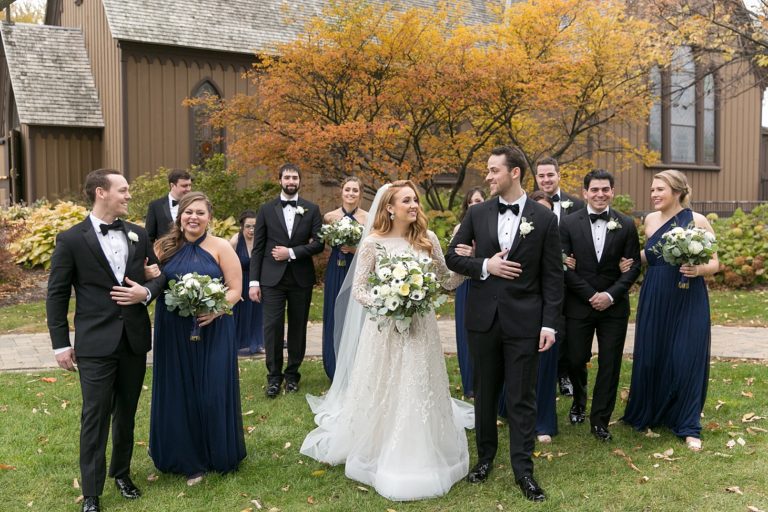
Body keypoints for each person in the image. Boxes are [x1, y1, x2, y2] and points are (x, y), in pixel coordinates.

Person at [301, 180, 473, 501]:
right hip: (384, 329)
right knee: (387, 385)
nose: (413, 205)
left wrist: (467, 265)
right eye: (406, 200)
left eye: (415, 200)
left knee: (417, 385)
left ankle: (420, 447)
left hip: (421, 329)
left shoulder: (428, 239)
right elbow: (361, 289)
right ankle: (379, 445)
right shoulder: (373, 243)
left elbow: (447, 281)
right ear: (390, 207)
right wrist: (386, 301)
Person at [447, 145, 563, 502]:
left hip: (525, 322)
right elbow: (452, 256)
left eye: (494, 170)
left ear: (514, 172)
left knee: (521, 397)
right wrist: (485, 265)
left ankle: (523, 471)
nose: (488, 176)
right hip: (483, 319)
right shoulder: (477, 213)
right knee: (484, 394)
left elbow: (553, 278)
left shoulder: (544, 219)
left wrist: (548, 325)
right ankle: (484, 459)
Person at [47, 169, 165, 512]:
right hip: (95, 342)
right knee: (95, 416)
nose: (129, 196)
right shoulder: (70, 239)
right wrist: (60, 344)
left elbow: (159, 277)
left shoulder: (138, 234)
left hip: (133, 339)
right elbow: (56, 296)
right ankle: (92, 493)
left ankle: (123, 474)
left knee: (126, 412)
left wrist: (145, 292)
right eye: (123, 190)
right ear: (101, 192)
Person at [149, 191, 246, 485]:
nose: (193, 217)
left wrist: (216, 310)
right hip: (173, 331)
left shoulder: (221, 247)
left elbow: (235, 289)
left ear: (209, 217)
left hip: (214, 328)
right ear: (179, 216)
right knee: (179, 391)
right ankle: (186, 458)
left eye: (200, 213)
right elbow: (153, 281)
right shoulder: (163, 247)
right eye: (188, 212)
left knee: (212, 389)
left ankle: (218, 452)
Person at [623, 170, 718, 452]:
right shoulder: (650, 220)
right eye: (652, 190)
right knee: (653, 355)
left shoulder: (697, 220)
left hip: (688, 296)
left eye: (659, 189)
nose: (653, 194)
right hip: (655, 294)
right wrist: (629, 261)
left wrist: (698, 269)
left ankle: (689, 425)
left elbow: (715, 262)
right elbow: (650, 253)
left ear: (677, 191)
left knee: (686, 356)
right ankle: (651, 412)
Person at [559, 170, 641, 442]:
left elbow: (633, 267)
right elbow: (563, 267)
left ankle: (600, 421)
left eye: (605, 189)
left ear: (612, 191)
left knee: (610, 363)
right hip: (579, 305)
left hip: (614, 308)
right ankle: (579, 402)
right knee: (575, 358)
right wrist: (590, 294)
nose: (600, 194)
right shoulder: (568, 224)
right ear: (585, 193)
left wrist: (610, 295)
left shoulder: (626, 224)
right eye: (594, 190)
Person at [249, 163, 324, 397]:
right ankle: (273, 377)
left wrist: (291, 253)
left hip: (300, 278)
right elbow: (258, 247)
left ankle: (292, 375)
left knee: (298, 327)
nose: (291, 181)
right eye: (287, 177)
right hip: (271, 279)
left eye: (295, 178)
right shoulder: (266, 209)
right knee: (272, 328)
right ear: (280, 180)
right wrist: (253, 282)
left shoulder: (312, 209)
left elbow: (319, 243)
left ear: (299, 181)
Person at [535, 156, 585, 397]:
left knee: (565, 328)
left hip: (569, 279)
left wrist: (573, 260)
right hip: (538, 277)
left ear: (558, 176)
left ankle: (564, 374)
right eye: (541, 175)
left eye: (550, 175)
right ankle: (542, 372)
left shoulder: (575, 205)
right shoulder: (529, 204)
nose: (546, 179)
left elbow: (583, 237)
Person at [321, 176, 368, 379]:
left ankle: (357, 365)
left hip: (358, 268)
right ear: (341, 192)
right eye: (347, 189)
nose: (351, 193)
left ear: (360, 194)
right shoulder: (329, 217)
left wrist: (354, 249)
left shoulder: (368, 218)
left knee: (357, 314)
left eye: (355, 190)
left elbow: (372, 248)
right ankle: (334, 364)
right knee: (335, 310)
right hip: (336, 267)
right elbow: (324, 245)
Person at [452, 186, 486, 399]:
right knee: (465, 335)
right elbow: (454, 261)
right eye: (472, 201)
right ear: (467, 205)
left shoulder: (492, 226)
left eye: (479, 201)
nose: (476, 205)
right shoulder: (460, 229)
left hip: (485, 285)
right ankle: (470, 384)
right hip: (466, 285)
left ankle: (485, 381)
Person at [229, 210, 265, 356]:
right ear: (242, 227)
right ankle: (238, 343)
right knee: (240, 313)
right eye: (248, 226)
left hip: (257, 282)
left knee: (257, 313)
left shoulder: (262, 240)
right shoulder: (235, 241)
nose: (252, 230)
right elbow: (228, 265)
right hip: (240, 281)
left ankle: (257, 343)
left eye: (255, 226)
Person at [145, 168, 193, 243]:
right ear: (172, 185)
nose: (188, 189)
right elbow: (149, 237)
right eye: (184, 186)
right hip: (165, 253)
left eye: (190, 185)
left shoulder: (194, 204)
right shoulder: (155, 206)